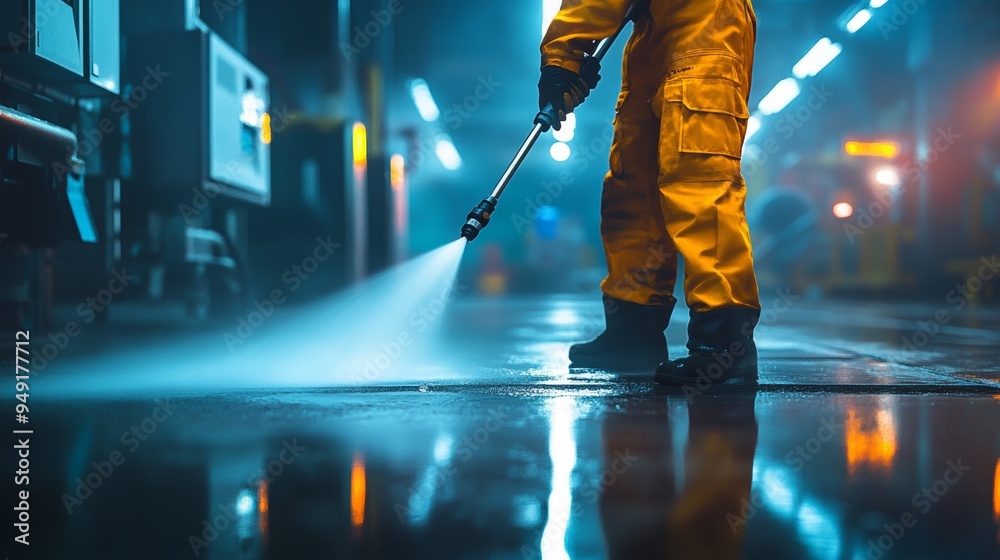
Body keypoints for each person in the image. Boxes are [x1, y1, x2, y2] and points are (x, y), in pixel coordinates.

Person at [538, 0, 762, 386]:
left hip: (703, 36)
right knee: (633, 191)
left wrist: (563, 55)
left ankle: (724, 344)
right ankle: (632, 334)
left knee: (700, 188)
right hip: (654, 40)